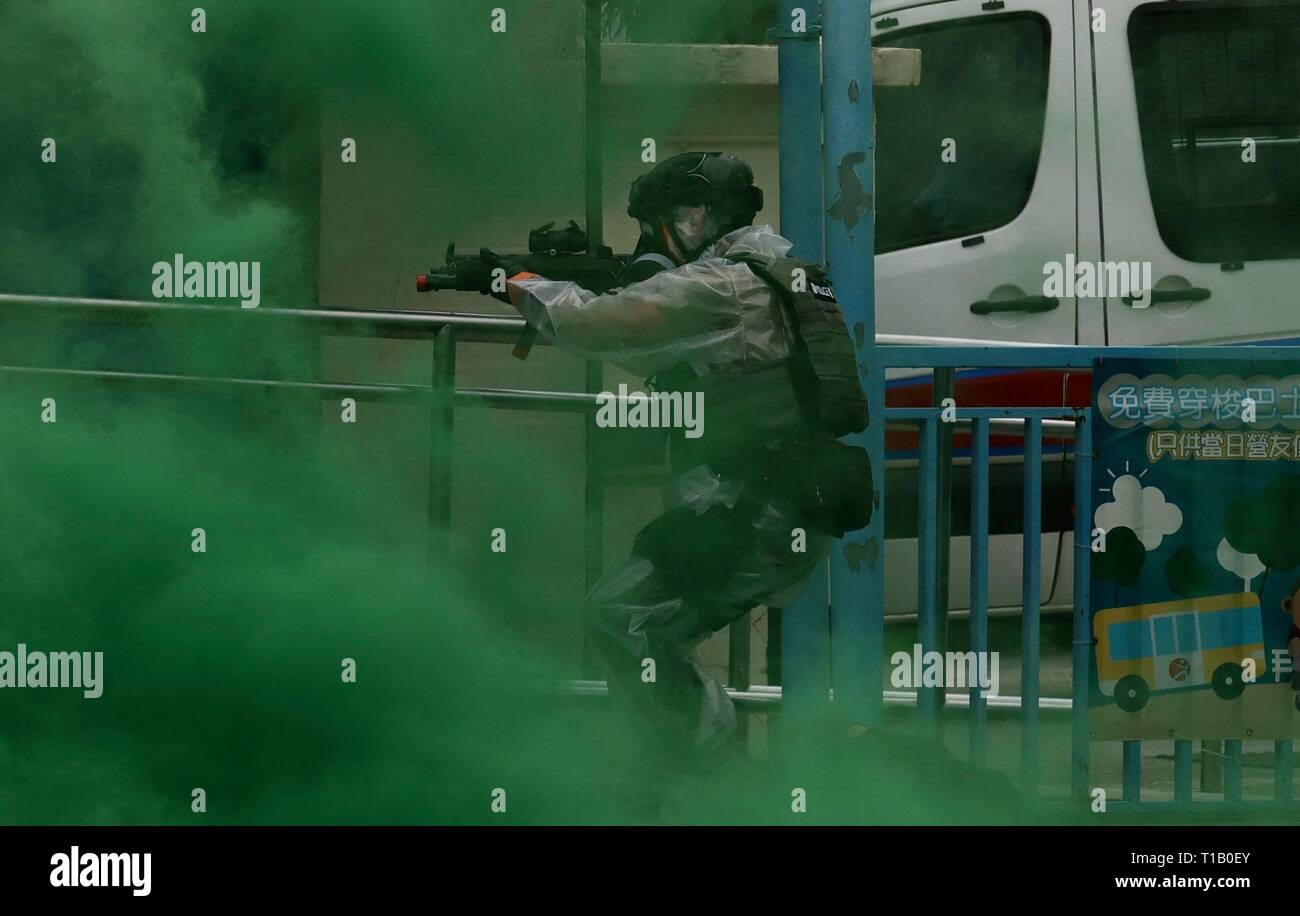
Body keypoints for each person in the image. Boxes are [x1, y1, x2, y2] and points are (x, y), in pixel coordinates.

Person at [486, 152, 872, 768]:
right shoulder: (772, 269)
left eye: (655, 226)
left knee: (623, 617)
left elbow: (595, 325)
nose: (648, 243)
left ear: (694, 219)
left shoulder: (723, 284)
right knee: (649, 625)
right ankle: (696, 779)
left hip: (759, 507)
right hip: (784, 496)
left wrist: (518, 284)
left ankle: (714, 786)